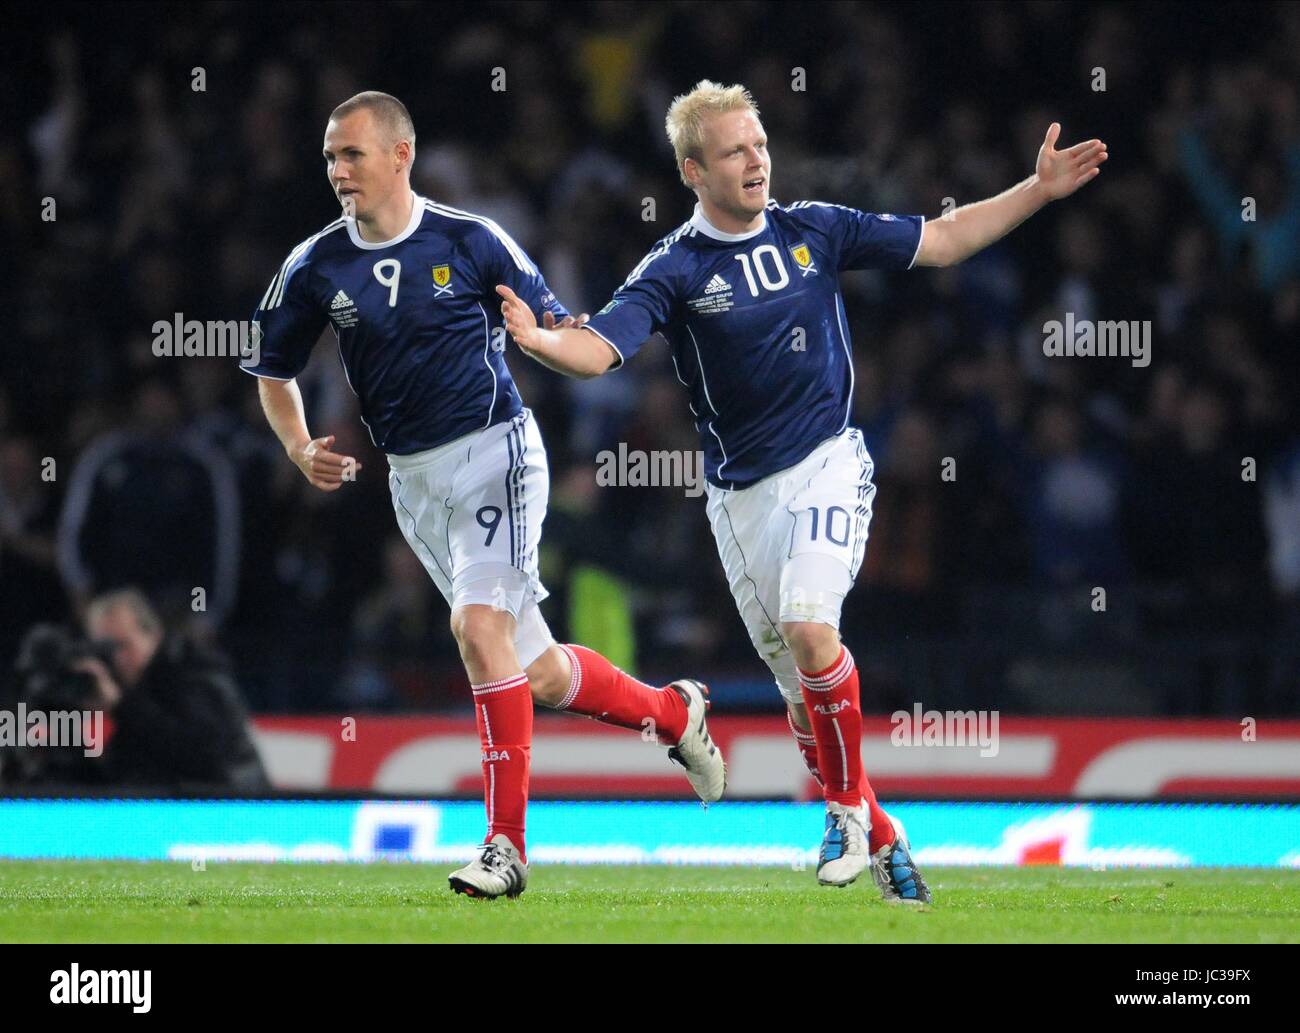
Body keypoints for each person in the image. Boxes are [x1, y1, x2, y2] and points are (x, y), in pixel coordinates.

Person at [498, 79, 1107, 901]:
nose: (756, 161)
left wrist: (1038, 188)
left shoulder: (814, 228)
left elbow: (946, 237)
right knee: (807, 708)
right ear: (693, 171)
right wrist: (538, 342)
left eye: (760, 144)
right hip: (740, 505)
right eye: (734, 151)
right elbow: (601, 347)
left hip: (827, 462)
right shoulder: (674, 269)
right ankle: (883, 837)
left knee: (812, 631)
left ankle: (847, 813)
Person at [245, 92, 725, 900]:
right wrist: (297, 446)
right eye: (329, 156)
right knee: (533, 671)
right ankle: (676, 716)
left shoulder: (471, 240)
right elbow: (272, 370)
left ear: (400, 155)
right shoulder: (314, 265)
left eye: (351, 154)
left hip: (495, 453)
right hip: (414, 484)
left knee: (475, 627)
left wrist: (546, 341)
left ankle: (505, 845)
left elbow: (561, 329)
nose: (336, 171)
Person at [77, 588, 269, 791]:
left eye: (123, 646)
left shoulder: (196, 670)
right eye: (104, 651)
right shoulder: (126, 688)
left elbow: (201, 756)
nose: (116, 660)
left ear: (153, 634)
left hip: (228, 806)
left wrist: (123, 706)